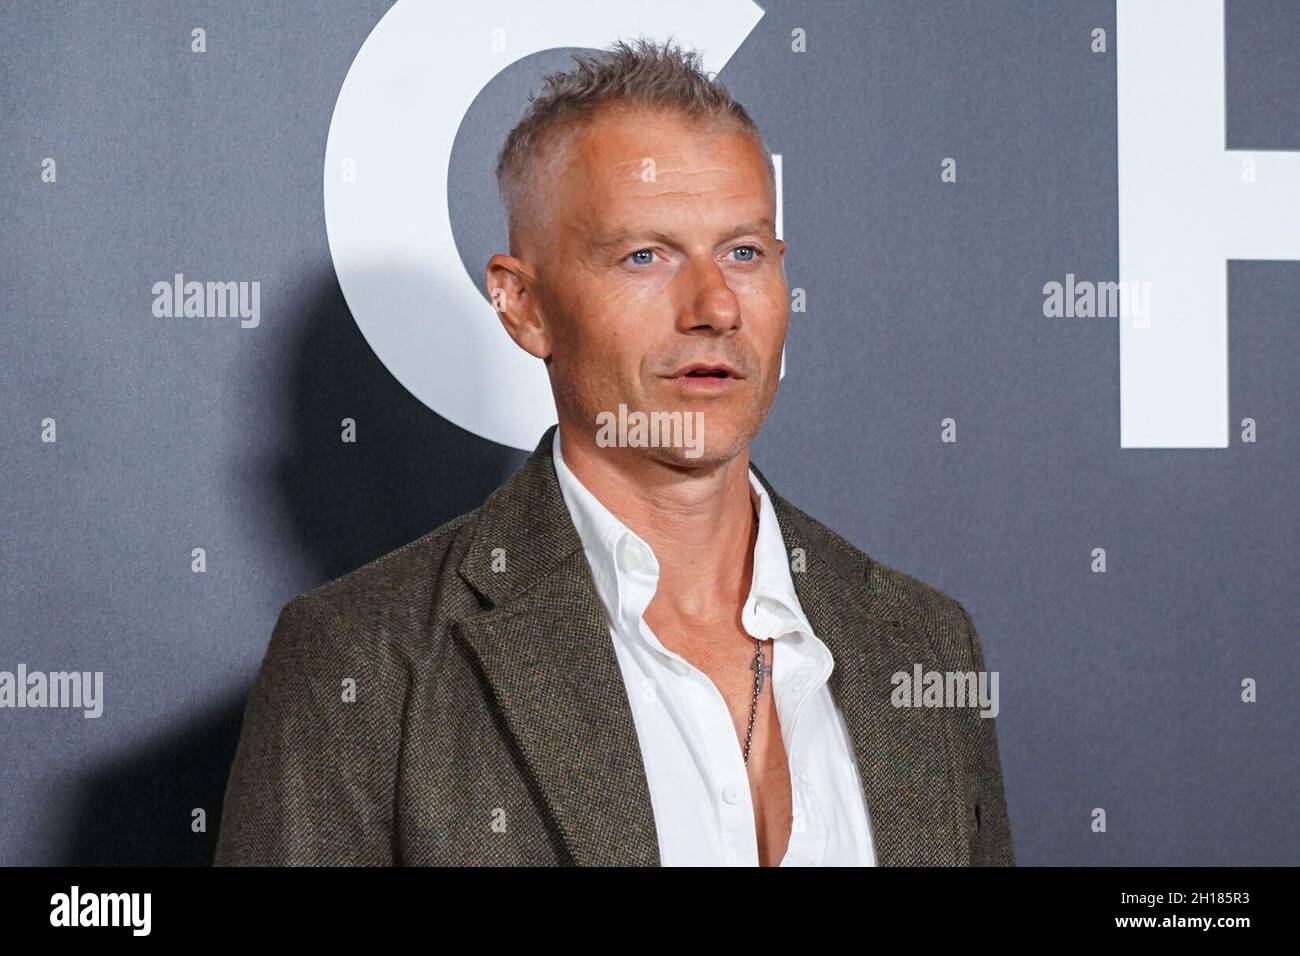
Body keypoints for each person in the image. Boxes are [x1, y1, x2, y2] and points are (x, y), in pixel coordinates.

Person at [214, 38, 1014, 867]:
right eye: (645, 256)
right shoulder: (359, 664)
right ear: (523, 306)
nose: (714, 307)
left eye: (743, 252)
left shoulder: (923, 642)